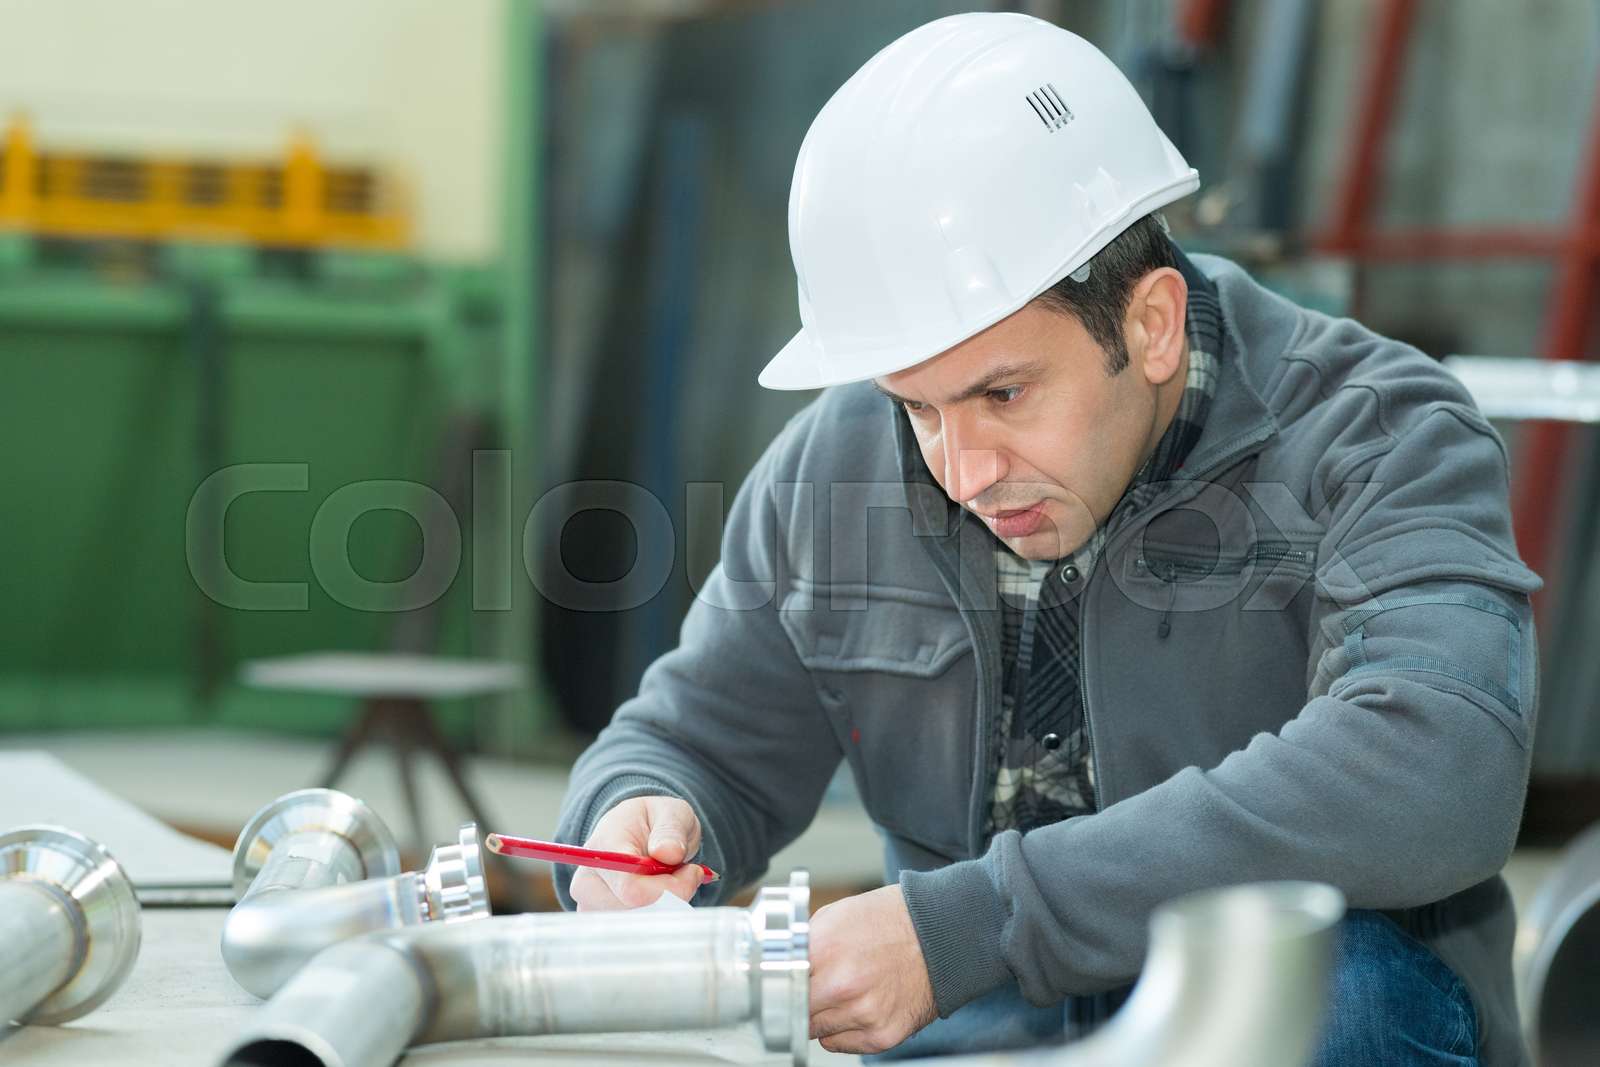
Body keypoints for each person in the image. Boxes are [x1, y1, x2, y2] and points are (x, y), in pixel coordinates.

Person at [552, 13, 1539, 1066]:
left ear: (1150, 325)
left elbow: (1438, 762)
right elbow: (695, 738)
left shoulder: (1376, 431)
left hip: (1298, 1017)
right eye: (917, 407)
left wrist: (971, 924)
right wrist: (642, 815)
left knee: (1317, 979)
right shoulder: (832, 467)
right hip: (980, 1025)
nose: (963, 468)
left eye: (1004, 392)